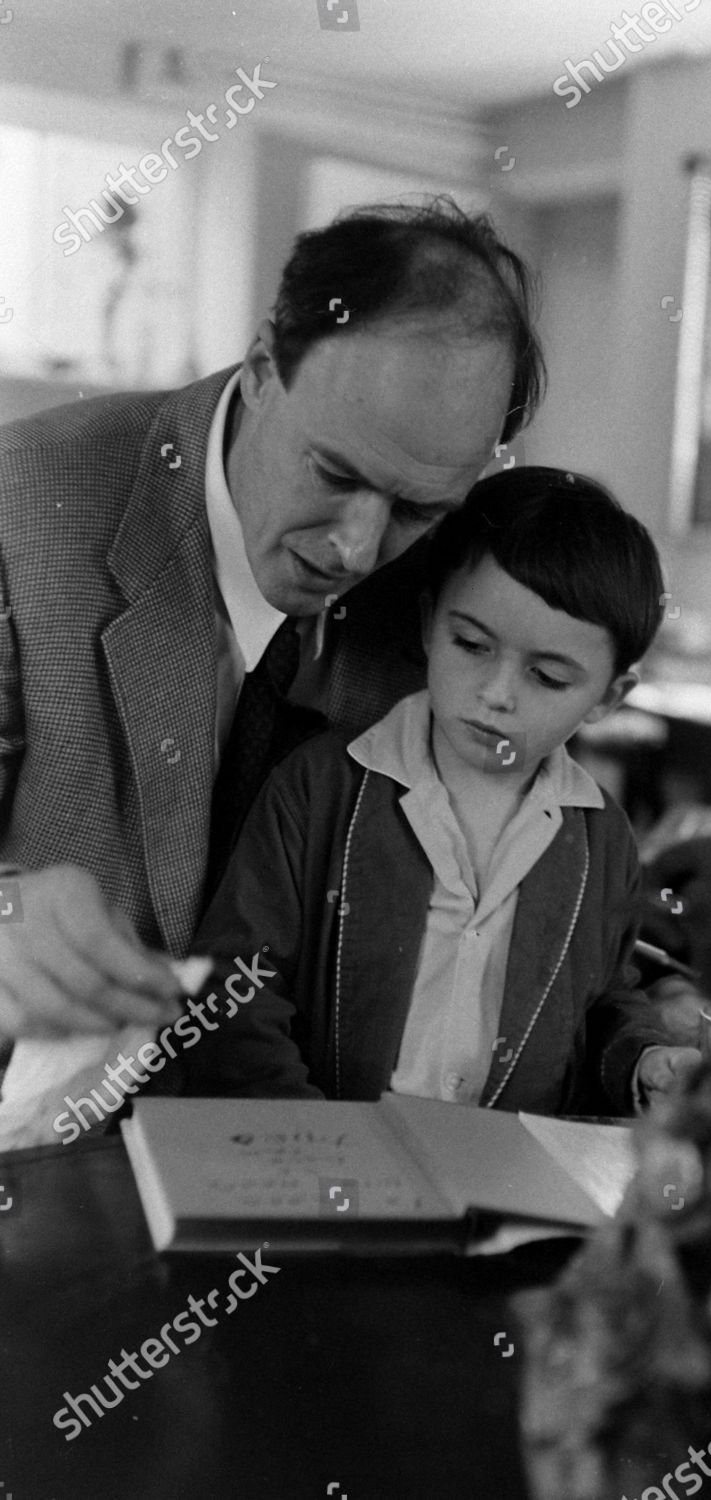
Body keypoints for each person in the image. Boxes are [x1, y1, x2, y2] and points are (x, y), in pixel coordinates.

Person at [0, 197, 542, 1045]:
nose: (356, 551)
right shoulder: (22, 499)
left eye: (417, 510)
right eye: (333, 472)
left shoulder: (460, 593)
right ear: (260, 366)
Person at [181, 468, 697, 1115]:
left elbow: (603, 998)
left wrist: (642, 1058)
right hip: (328, 1167)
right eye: (471, 644)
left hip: (507, 1184)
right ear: (430, 624)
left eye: (546, 676)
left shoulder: (602, 838)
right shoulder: (320, 789)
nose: (497, 693)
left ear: (609, 696)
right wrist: (315, 1138)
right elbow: (234, 992)